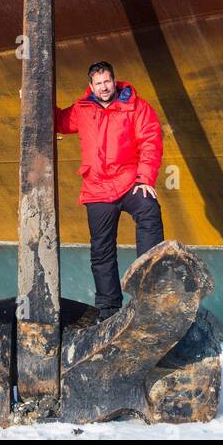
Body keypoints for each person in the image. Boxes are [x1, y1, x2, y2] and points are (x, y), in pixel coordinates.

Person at [55, 61, 165, 319]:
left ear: (114, 81)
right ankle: (109, 309)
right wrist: (32, 100)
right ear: (91, 86)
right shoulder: (82, 110)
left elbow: (151, 140)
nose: (104, 87)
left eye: (107, 82)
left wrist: (145, 179)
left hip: (129, 181)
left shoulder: (136, 107)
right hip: (98, 188)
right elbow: (58, 121)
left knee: (149, 210)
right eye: (99, 83)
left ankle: (148, 289)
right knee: (101, 250)